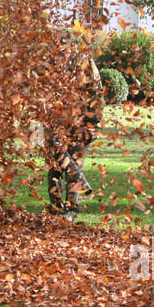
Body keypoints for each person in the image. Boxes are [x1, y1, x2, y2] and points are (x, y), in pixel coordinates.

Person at [45, 30, 104, 220]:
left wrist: (91, 125)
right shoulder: (49, 65)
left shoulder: (85, 64)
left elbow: (96, 95)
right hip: (55, 122)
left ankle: (71, 209)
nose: (59, 54)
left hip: (80, 122)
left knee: (73, 162)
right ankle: (56, 207)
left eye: (62, 50)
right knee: (55, 165)